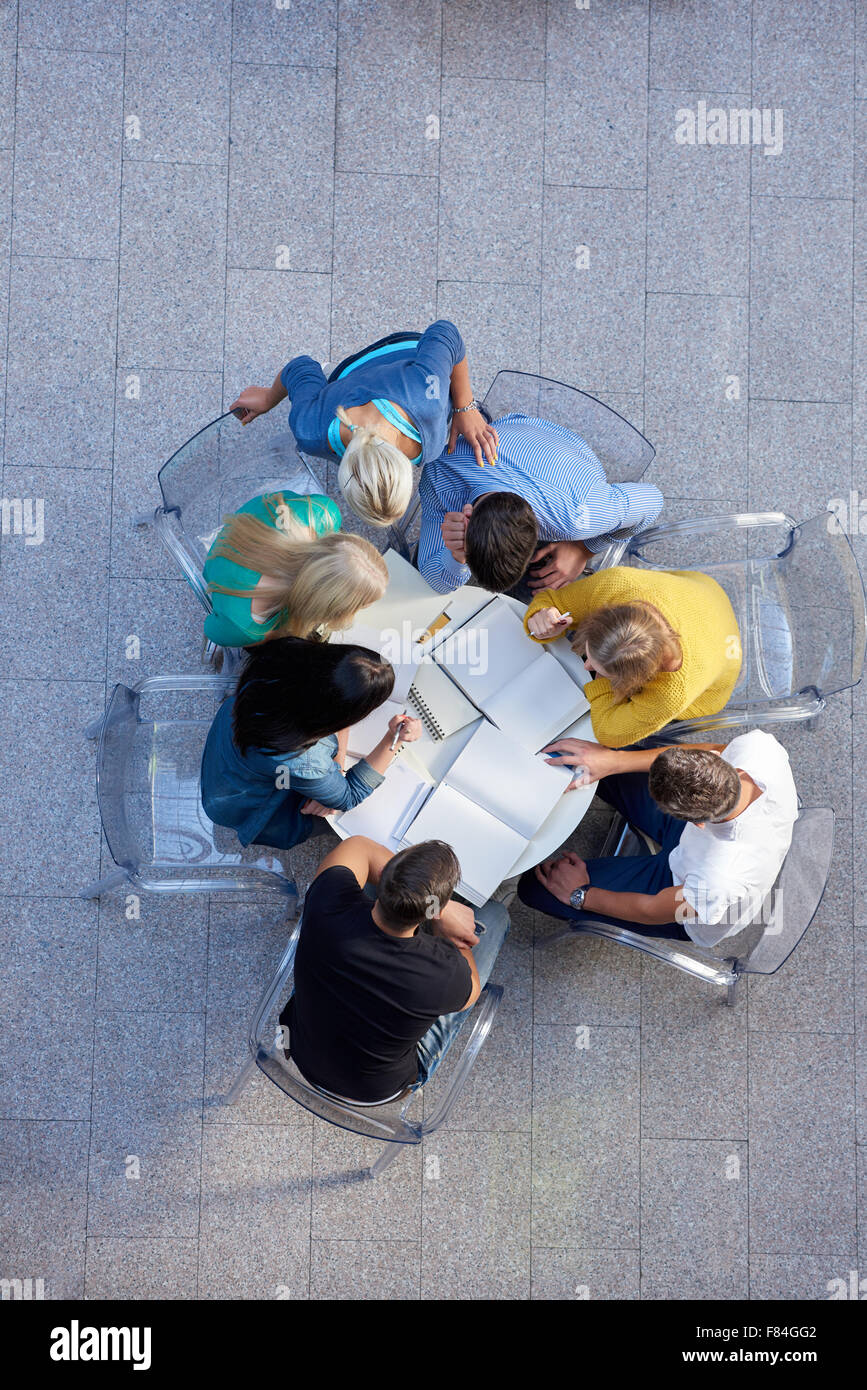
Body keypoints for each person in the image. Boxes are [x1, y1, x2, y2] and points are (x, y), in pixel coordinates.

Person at [279, 834, 510, 1104]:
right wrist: (442, 921)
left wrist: (438, 908)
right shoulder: (443, 972)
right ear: (431, 911)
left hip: (298, 1046)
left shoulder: (327, 900)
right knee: (495, 916)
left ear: (385, 874)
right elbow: (470, 994)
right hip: (377, 1092)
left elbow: (360, 847)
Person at [517, 730, 798, 948]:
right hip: (700, 843)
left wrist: (580, 895)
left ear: (695, 822)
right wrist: (616, 761)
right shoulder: (760, 751)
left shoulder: (718, 880)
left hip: (679, 888)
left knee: (534, 889)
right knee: (601, 755)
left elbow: (651, 910)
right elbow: (714, 750)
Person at [228, 323, 498, 528]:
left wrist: (465, 406)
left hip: (408, 358)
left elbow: (447, 333)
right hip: (377, 363)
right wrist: (267, 398)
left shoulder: (431, 411)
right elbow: (300, 368)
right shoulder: (309, 429)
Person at [200, 637, 422, 851]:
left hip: (228, 759)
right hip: (247, 804)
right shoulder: (304, 761)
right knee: (328, 811)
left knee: (320, 794)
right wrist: (394, 739)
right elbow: (349, 796)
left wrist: (330, 771)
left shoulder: (281, 660)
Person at [417, 412, 663, 595]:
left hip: (571, 458)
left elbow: (653, 502)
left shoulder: (577, 515)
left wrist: (584, 548)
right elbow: (432, 578)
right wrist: (457, 556)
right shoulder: (439, 474)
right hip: (514, 433)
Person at [524, 565, 742, 748]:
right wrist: (543, 617)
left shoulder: (673, 693)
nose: (586, 666)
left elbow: (608, 733)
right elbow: (554, 601)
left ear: (636, 680)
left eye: (599, 670)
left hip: (721, 667)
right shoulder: (616, 584)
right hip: (705, 594)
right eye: (590, 655)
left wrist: (600, 686)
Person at [203, 491, 388, 649]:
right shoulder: (246, 627)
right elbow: (211, 628)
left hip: (243, 530)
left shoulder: (322, 513)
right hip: (217, 569)